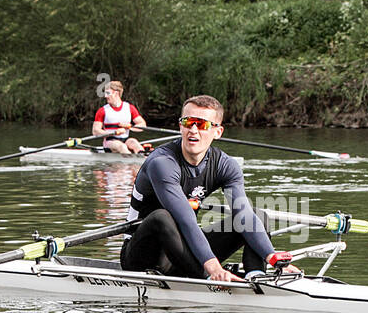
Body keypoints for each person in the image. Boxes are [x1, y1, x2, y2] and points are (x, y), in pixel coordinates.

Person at [120, 95, 298, 282]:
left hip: (184, 251)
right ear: (180, 126)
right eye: (188, 122)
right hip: (142, 256)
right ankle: (208, 276)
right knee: (161, 217)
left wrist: (272, 257)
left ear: (218, 131)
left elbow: (243, 213)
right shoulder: (162, 163)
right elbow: (186, 220)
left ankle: (256, 276)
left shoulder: (226, 165)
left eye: (202, 124)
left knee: (256, 216)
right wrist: (213, 268)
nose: (193, 130)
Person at [92, 81, 148, 155]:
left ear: (116, 93)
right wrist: (114, 133)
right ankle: (131, 162)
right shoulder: (102, 111)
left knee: (135, 143)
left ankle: (143, 160)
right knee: (122, 146)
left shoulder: (130, 108)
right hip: (110, 141)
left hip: (126, 140)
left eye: (108, 93)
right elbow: (95, 131)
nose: (105, 96)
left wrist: (130, 127)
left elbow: (143, 125)